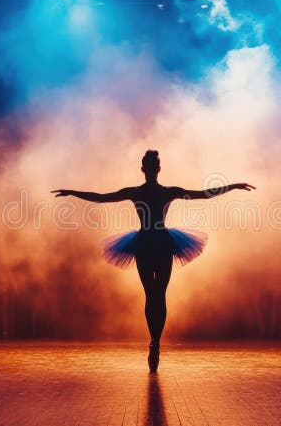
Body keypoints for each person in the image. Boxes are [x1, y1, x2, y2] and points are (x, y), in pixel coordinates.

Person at [53, 150, 255, 372]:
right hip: (159, 243)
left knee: (152, 295)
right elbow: (204, 194)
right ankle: (155, 342)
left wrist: (72, 192)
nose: (151, 170)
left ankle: (154, 342)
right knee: (158, 294)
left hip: (147, 243)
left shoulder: (138, 192)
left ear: (145, 169)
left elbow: (101, 198)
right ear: (157, 169)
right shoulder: (164, 192)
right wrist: (234, 186)